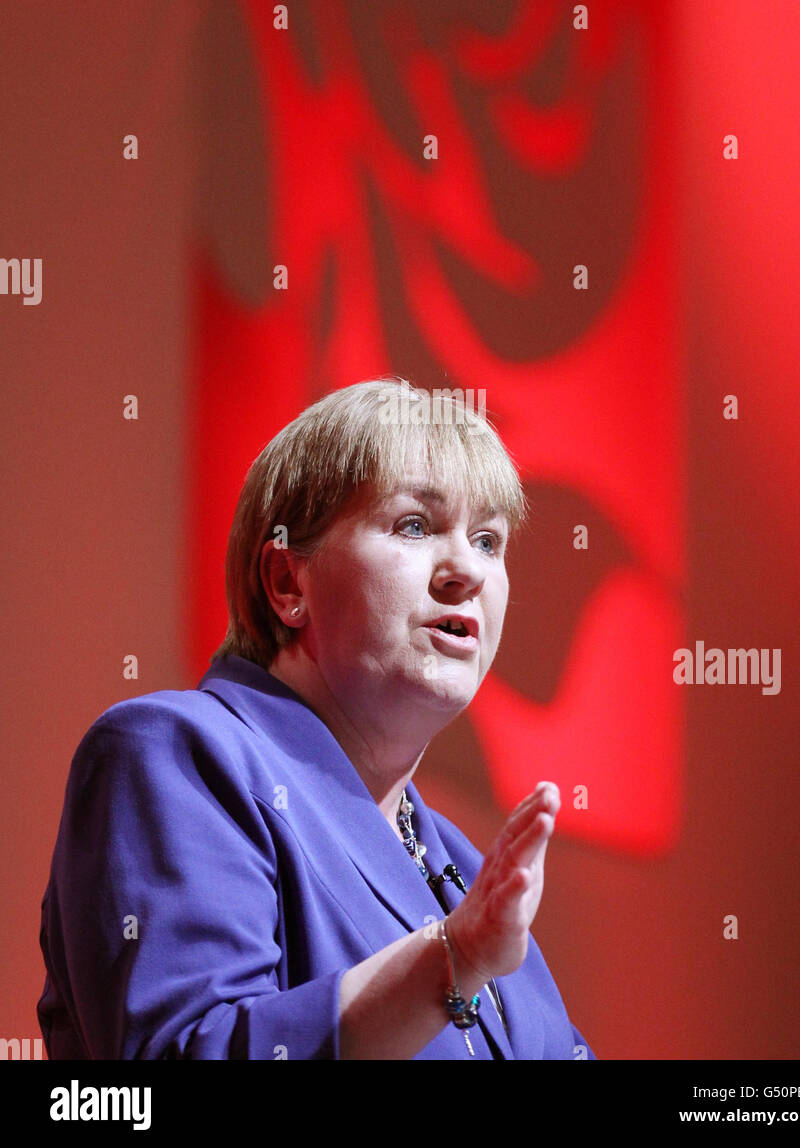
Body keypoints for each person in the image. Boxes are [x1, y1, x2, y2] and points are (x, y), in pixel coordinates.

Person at [37, 377, 596, 1060]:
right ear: (287, 583)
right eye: (415, 525)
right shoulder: (174, 758)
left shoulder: (470, 871)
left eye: (488, 540)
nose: (467, 571)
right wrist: (449, 960)